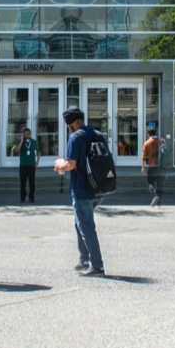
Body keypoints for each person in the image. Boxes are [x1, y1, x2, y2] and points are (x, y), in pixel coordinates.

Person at [54, 107, 106, 277]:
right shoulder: (98, 134)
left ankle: (97, 266)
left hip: (82, 189)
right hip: (99, 187)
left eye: (69, 124)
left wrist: (59, 164)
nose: (69, 127)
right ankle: (84, 259)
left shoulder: (75, 137)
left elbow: (70, 164)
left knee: (86, 227)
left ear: (75, 122)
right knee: (80, 223)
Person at [11, 126, 38, 203]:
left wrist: (37, 160)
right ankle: (22, 197)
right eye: (25, 134)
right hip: (23, 165)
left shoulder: (34, 142)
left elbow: (38, 151)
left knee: (31, 182)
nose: (26, 135)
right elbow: (16, 150)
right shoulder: (20, 142)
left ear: (30, 134)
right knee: (23, 182)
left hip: (31, 165)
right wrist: (22, 141)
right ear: (23, 134)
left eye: (28, 133)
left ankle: (31, 197)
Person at [142, 129, 166, 208]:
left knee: (150, 182)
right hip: (161, 166)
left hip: (152, 166)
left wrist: (143, 167)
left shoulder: (147, 143)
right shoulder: (161, 141)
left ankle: (154, 196)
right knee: (159, 183)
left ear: (148, 134)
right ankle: (159, 203)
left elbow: (144, 157)